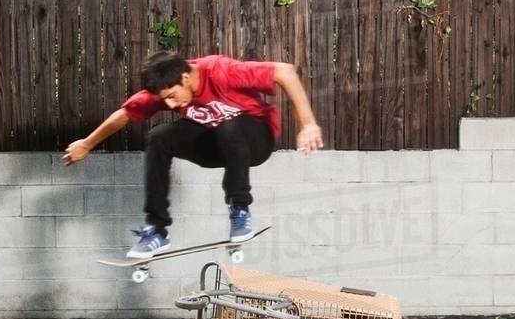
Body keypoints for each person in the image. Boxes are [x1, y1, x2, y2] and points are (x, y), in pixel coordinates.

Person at [62, 51, 323, 258]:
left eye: (174, 97)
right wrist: (87, 143)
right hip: (217, 146)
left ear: (186, 78)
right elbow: (124, 115)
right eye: (166, 101)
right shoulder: (166, 85)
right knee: (159, 136)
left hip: (255, 140)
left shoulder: (220, 71)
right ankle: (157, 229)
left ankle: (240, 208)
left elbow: (284, 71)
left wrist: (308, 123)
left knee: (229, 127)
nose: (172, 105)